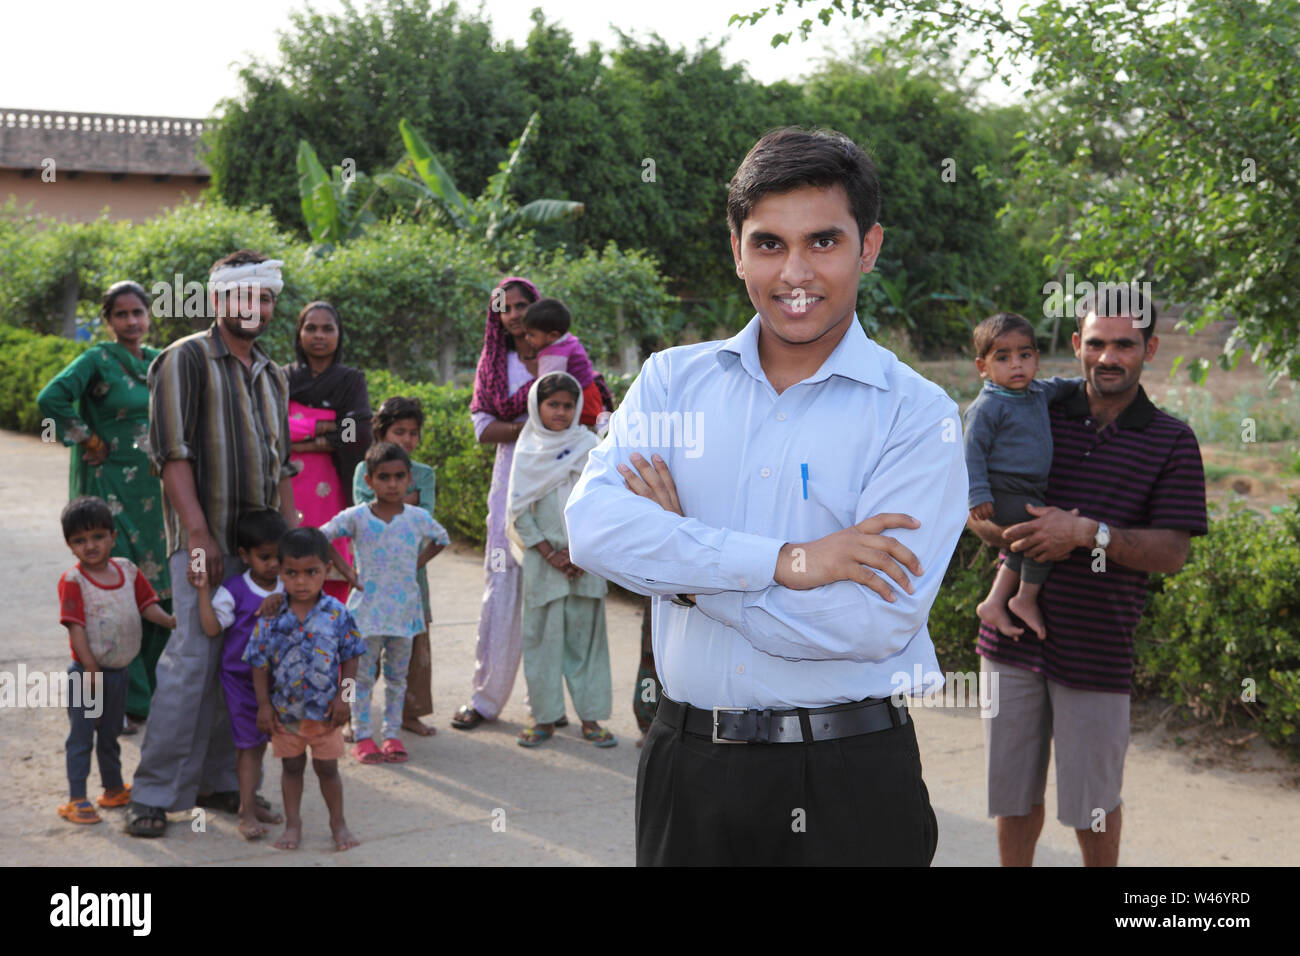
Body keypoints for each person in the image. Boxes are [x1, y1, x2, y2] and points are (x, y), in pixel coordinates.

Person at [565, 127, 969, 866]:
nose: (795, 272)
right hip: (685, 767)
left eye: (823, 241)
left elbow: (869, 621)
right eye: (769, 244)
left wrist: (686, 572)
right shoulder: (670, 383)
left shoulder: (917, 415)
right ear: (737, 248)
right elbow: (594, 530)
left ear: (868, 247)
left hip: (850, 776)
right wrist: (788, 561)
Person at [966, 290, 1207, 867]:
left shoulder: (1172, 441)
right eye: (1095, 342)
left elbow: (1172, 552)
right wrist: (1008, 534)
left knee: (1093, 806)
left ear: (1149, 349)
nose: (1108, 356)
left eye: (1124, 344)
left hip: (1098, 648)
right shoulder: (1035, 407)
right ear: (1076, 346)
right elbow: (979, 506)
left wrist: (1085, 533)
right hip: (1009, 645)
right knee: (1013, 799)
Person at [126, 250, 300, 838]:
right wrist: (199, 534)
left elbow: (281, 470)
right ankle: (153, 793)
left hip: (261, 553)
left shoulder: (273, 374)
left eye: (266, 297)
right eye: (244, 297)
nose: (256, 308)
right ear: (220, 300)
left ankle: (223, 782)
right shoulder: (186, 359)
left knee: (247, 660)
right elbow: (171, 453)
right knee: (192, 663)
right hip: (204, 539)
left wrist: (298, 549)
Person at [38, 281, 172, 735]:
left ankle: (142, 694)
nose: (132, 322)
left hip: (157, 494)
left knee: (159, 590)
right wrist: (86, 438)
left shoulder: (160, 360)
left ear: (149, 316)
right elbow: (49, 399)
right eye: (121, 314)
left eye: (138, 313)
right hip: (111, 489)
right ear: (108, 320)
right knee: (115, 589)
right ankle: (123, 697)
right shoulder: (96, 360)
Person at [323, 442, 449, 763]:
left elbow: (441, 539)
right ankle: (363, 735)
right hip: (366, 614)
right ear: (369, 481)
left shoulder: (417, 518)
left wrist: (417, 562)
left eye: (398, 477)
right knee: (360, 678)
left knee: (397, 678)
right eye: (384, 477)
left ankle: (392, 735)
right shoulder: (357, 517)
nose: (392, 484)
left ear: (409, 479)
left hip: (404, 613)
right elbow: (321, 536)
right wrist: (348, 572)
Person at [507, 372, 615, 748]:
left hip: (586, 561)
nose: (561, 412)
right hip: (543, 562)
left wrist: (581, 550)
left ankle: (590, 718)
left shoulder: (590, 446)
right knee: (541, 642)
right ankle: (545, 718)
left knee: (587, 643)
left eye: (568, 405)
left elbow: (604, 503)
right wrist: (551, 554)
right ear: (537, 407)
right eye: (553, 404)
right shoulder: (528, 450)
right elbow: (518, 511)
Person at [244, 527, 365, 851]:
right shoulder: (270, 616)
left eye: (311, 572)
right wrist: (264, 706)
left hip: (327, 714)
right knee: (291, 767)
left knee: (328, 770)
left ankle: (338, 824)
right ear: (280, 572)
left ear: (327, 569)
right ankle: (293, 825)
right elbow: (258, 663)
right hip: (285, 714)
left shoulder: (338, 614)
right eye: (291, 573)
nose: (301, 581)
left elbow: (352, 658)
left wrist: (345, 697)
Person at [56, 497, 176, 824]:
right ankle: (77, 798)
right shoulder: (73, 581)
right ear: (70, 546)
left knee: (109, 735)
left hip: (118, 673)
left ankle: (112, 789)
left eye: (97, 536)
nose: (90, 545)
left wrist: (170, 620)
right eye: (79, 540)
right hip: (87, 675)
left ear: (113, 537)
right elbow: (76, 628)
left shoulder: (127, 570)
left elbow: (146, 605)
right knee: (81, 736)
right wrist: (91, 669)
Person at [963, 312, 1082, 640]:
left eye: (1024, 355)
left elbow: (1065, 387)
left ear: (1036, 360)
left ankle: (995, 601)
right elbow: (972, 451)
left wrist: (1089, 385)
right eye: (1003, 358)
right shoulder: (988, 407)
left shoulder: (1038, 393)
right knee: (1038, 537)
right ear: (982, 367)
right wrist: (978, 494)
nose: (1016, 364)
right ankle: (1025, 598)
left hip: (1029, 489)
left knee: (1019, 547)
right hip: (1003, 489)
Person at [194, 509, 288, 840]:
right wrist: (204, 590)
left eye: (279, 557)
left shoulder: (292, 586)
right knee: (248, 747)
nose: (274, 565)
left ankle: (250, 803)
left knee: (260, 746)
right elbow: (210, 627)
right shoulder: (235, 589)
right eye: (265, 557)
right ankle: (246, 813)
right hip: (241, 682)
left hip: (280, 683)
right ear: (244, 556)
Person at [351, 396, 438, 738]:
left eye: (413, 433)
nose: (407, 439)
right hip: (370, 579)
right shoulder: (363, 470)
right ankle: (349, 712)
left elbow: (428, 521)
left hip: (412, 577)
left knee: (414, 647)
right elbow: (364, 515)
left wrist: (393, 504)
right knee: (360, 653)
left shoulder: (425, 474)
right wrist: (407, 502)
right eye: (398, 431)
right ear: (381, 433)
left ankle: (410, 713)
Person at [284, 301, 372, 602]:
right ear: (299, 334)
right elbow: (272, 430)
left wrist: (300, 434)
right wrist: (327, 424)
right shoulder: (283, 378)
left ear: (339, 335)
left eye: (327, 328)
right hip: (288, 485)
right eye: (311, 328)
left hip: (332, 483)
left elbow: (354, 433)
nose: (318, 335)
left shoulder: (350, 380)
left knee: (330, 554)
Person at [522, 298, 607, 428]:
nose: (527, 338)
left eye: (531, 335)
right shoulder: (567, 341)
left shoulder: (554, 355)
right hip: (590, 393)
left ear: (553, 335)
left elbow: (546, 386)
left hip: (581, 405)